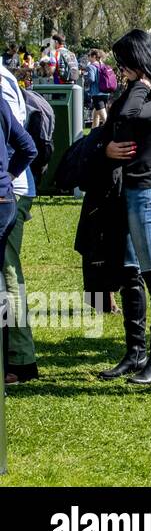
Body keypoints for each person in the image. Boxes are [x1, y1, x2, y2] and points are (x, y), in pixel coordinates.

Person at [97, 30, 151, 385]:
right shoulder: (137, 87)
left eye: (126, 63)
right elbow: (113, 126)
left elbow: (131, 116)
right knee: (130, 271)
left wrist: (142, 84)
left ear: (141, 60)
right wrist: (106, 150)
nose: (122, 70)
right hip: (122, 186)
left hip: (145, 189)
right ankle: (134, 353)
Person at [0, 68, 36, 386]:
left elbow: (18, 138)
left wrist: (7, 179)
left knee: (9, 276)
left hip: (10, 191)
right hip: (11, 187)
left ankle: (21, 358)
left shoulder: (2, 82)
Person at [85, 48, 114, 128]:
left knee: (104, 116)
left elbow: (91, 79)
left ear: (94, 56)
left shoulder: (91, 66)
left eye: (89, 55)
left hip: (96, 94)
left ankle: (112, 132)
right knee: (96, 113)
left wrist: (85, 78)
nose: (88, 57)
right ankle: (93, 133)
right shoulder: (102, 65)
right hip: (105, 92)